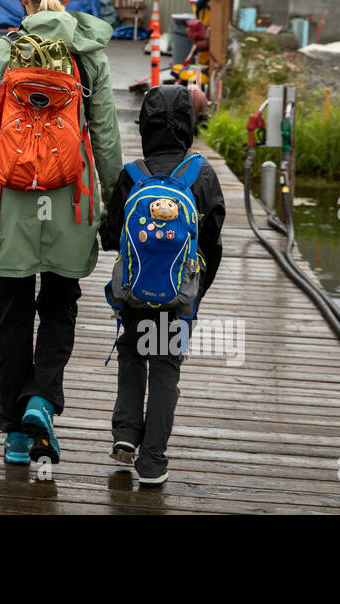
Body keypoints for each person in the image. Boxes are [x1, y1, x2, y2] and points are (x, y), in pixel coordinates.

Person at [0, 0, 122, 465]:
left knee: (11, 315)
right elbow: (108, 138)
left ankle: (14, 432)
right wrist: (113, 206)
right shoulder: (89, 57)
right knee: (59, 307)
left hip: (11, 205)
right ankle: (42, 400)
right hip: (70, 203)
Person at [99, 84, 225, 486]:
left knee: (133, 355)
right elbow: (213, 241)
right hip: (180, 294)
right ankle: (152, 461)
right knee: (166, 366)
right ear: (189, 124)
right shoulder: (201, 173)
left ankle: (125, 435)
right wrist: (197, 291)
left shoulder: (132, 174)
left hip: (136, 291)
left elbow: (109, 236)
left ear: (144, 126)